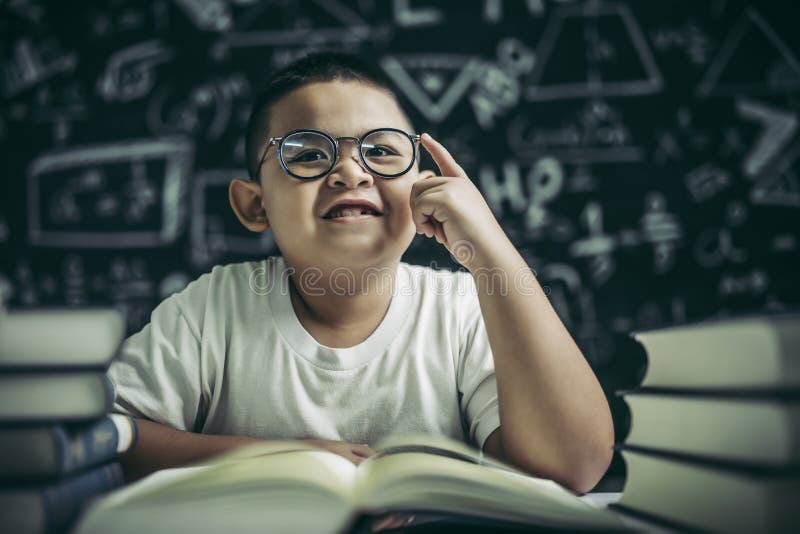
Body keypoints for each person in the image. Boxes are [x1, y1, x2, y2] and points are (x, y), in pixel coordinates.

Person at [108, 52, 613, 494]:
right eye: (307, 154)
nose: (351, 172)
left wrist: (491, 247)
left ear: (424, 186)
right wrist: (267, 461)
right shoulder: (211, 309)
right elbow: (104, 439)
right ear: (254, 204)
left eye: (382, 151)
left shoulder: (464, 312)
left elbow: (574, 466)